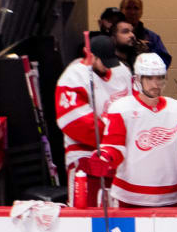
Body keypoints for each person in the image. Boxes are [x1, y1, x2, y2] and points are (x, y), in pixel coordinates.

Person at [82, 53, 177, 208]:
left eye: (160, 77)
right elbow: (114, 146)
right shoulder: (122, 108)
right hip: (130, 196)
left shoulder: (176, 108)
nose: (156, 83)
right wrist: (104, 158)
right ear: (138, 79)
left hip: (170, 195)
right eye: (150, 78)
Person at [53, 33, 133, 199]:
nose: (108, 67)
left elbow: (135, 106)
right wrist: (116, 135)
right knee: (86, 208)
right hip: (85, 155)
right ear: (91, 55)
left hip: (119, 154)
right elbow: (76, 123)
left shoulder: (122, 71)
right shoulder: (72, 78)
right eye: (103, 61)